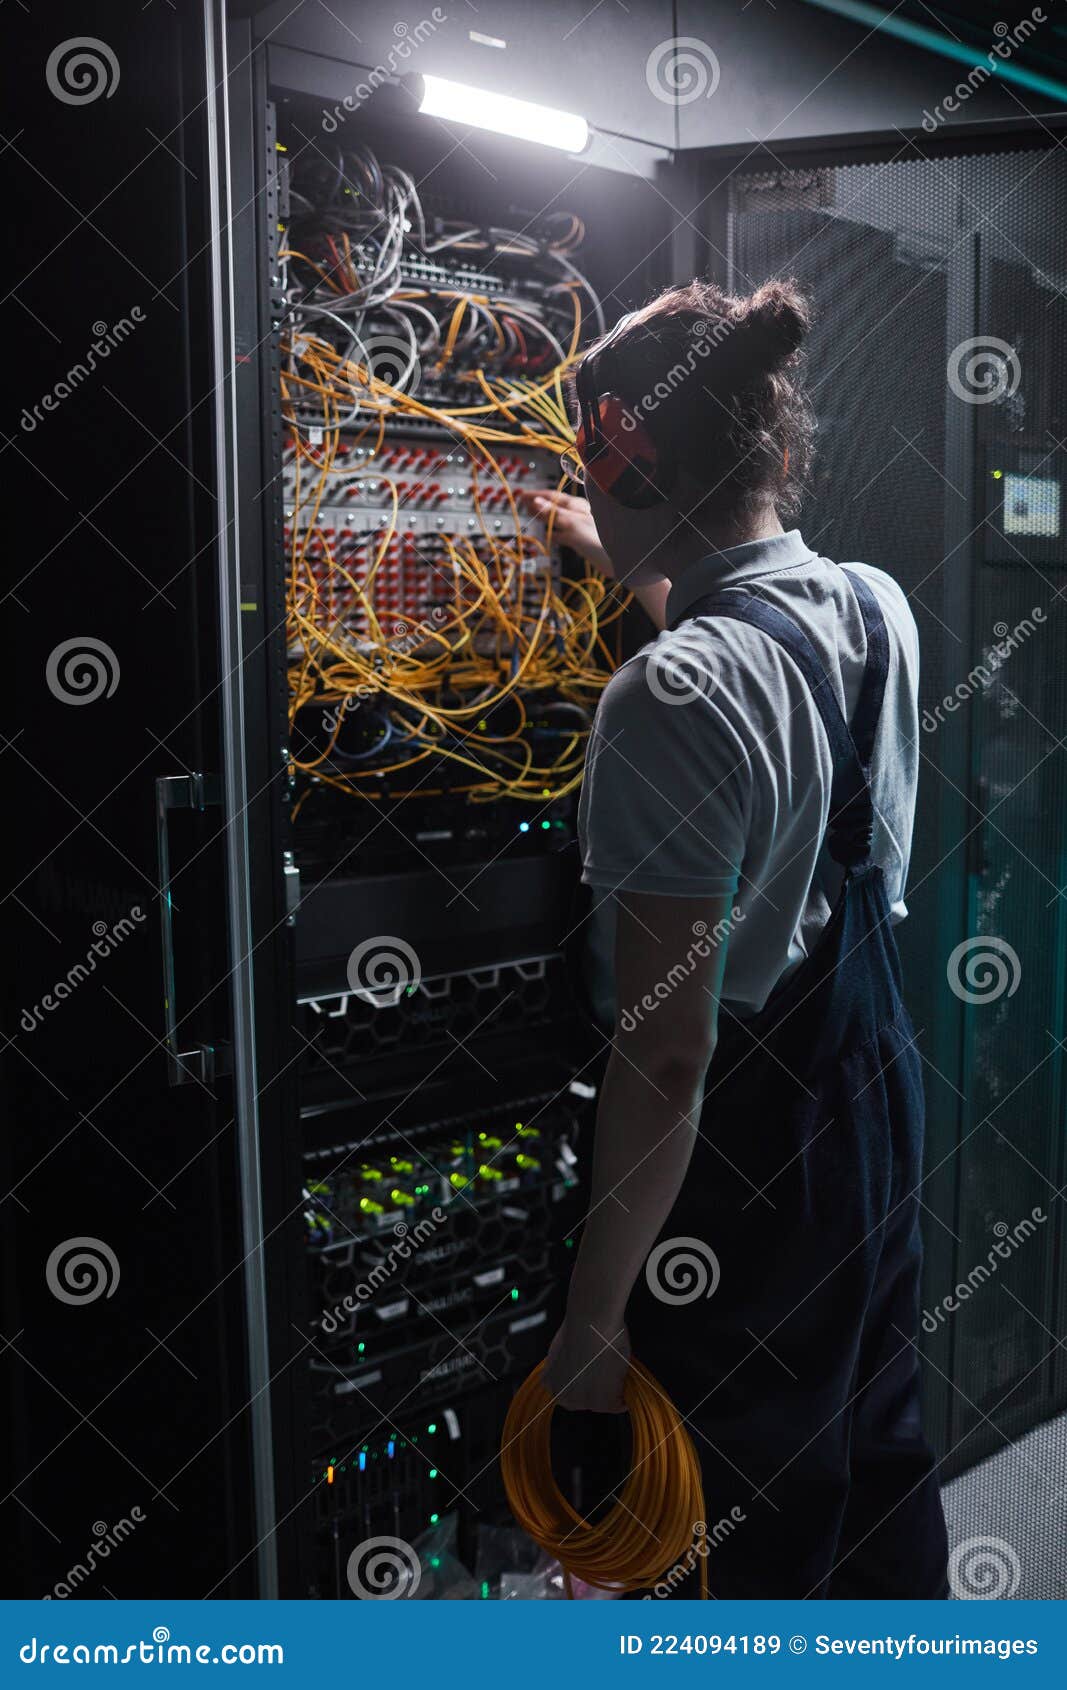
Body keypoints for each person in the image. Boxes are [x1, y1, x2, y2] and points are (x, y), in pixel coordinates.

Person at [523, 278, 949, 1599]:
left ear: (620, 443)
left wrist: (593, 1329)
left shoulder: (668, 697)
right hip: (866, 1120)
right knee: (869, 1469)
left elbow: (667, 1058)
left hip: (739, 1160)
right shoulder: (876, 610)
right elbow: (764, 699)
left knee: (737, 1526)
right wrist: (633, 557)